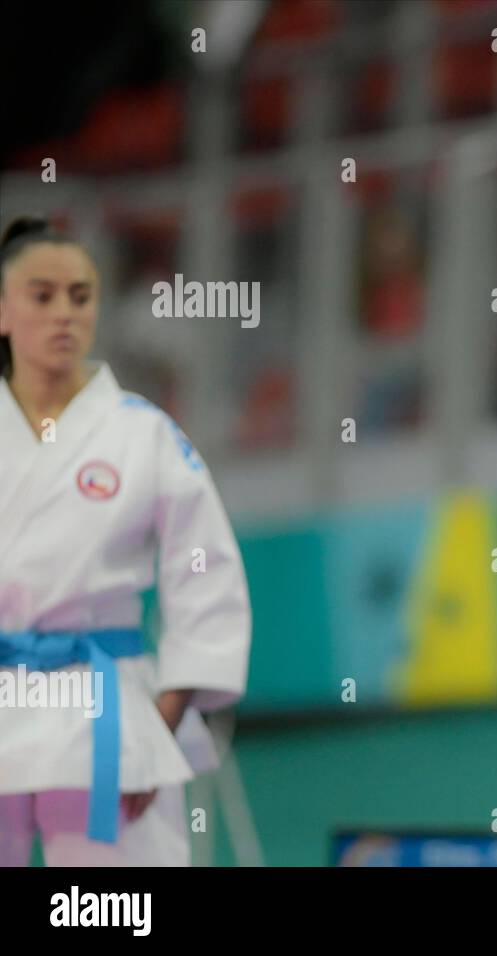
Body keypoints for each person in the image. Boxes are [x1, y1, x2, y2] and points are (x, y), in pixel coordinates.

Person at [0, 215, 251, 866]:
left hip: (104, 708)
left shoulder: (143, 435)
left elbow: (207, 578)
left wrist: (158, 725)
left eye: (80, 297)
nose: (64, 315)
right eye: (42, 295)